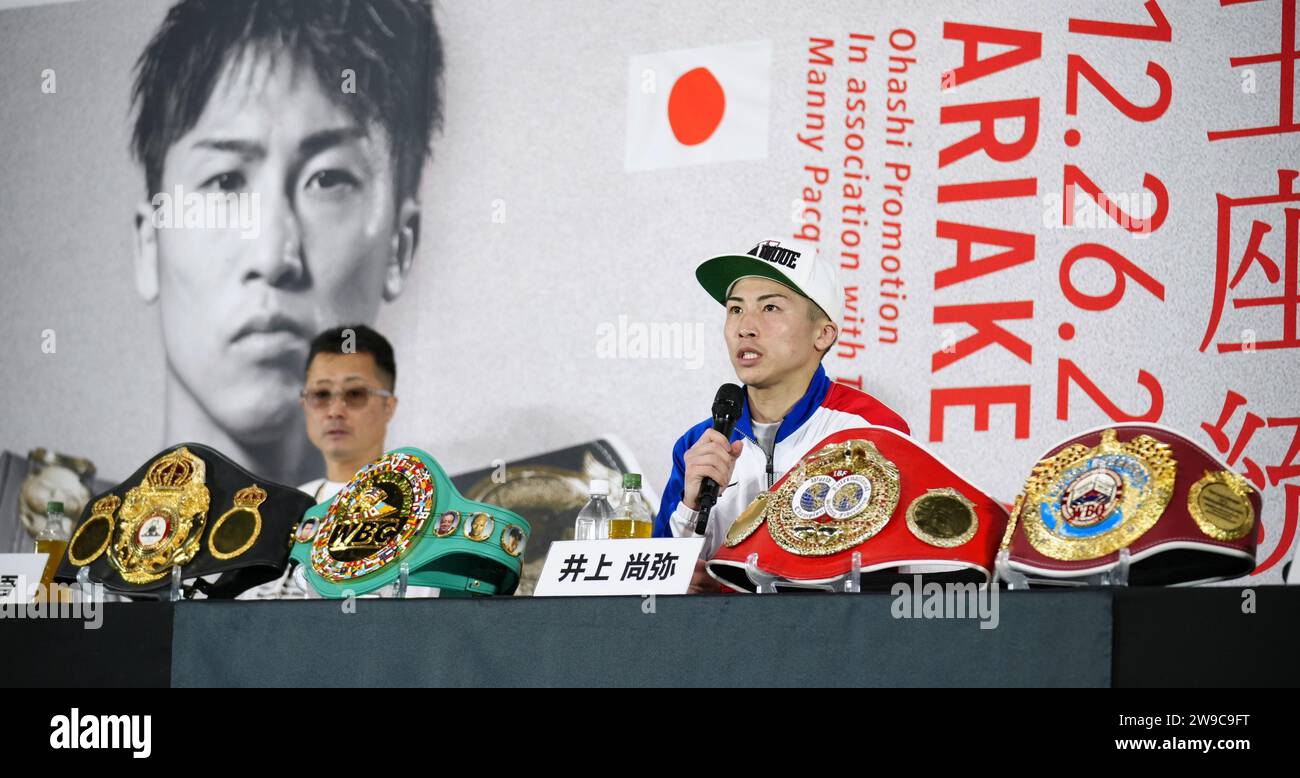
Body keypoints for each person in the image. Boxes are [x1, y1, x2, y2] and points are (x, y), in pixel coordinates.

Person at [128, 0, 443, 486]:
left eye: (328, 179)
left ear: (399, 249)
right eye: (226, 180)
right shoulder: (41, 547)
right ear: (150, 246)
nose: (274, 255)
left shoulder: (466, 556)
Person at [652, 238, 910, 593]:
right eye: (735, 309)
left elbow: (884, 581)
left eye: (770, 308)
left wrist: (733, 589)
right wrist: (690, 508)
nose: (745, 327)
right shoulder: (699, 444)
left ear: (823, 334)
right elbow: (655, 586)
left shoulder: (872, 431)